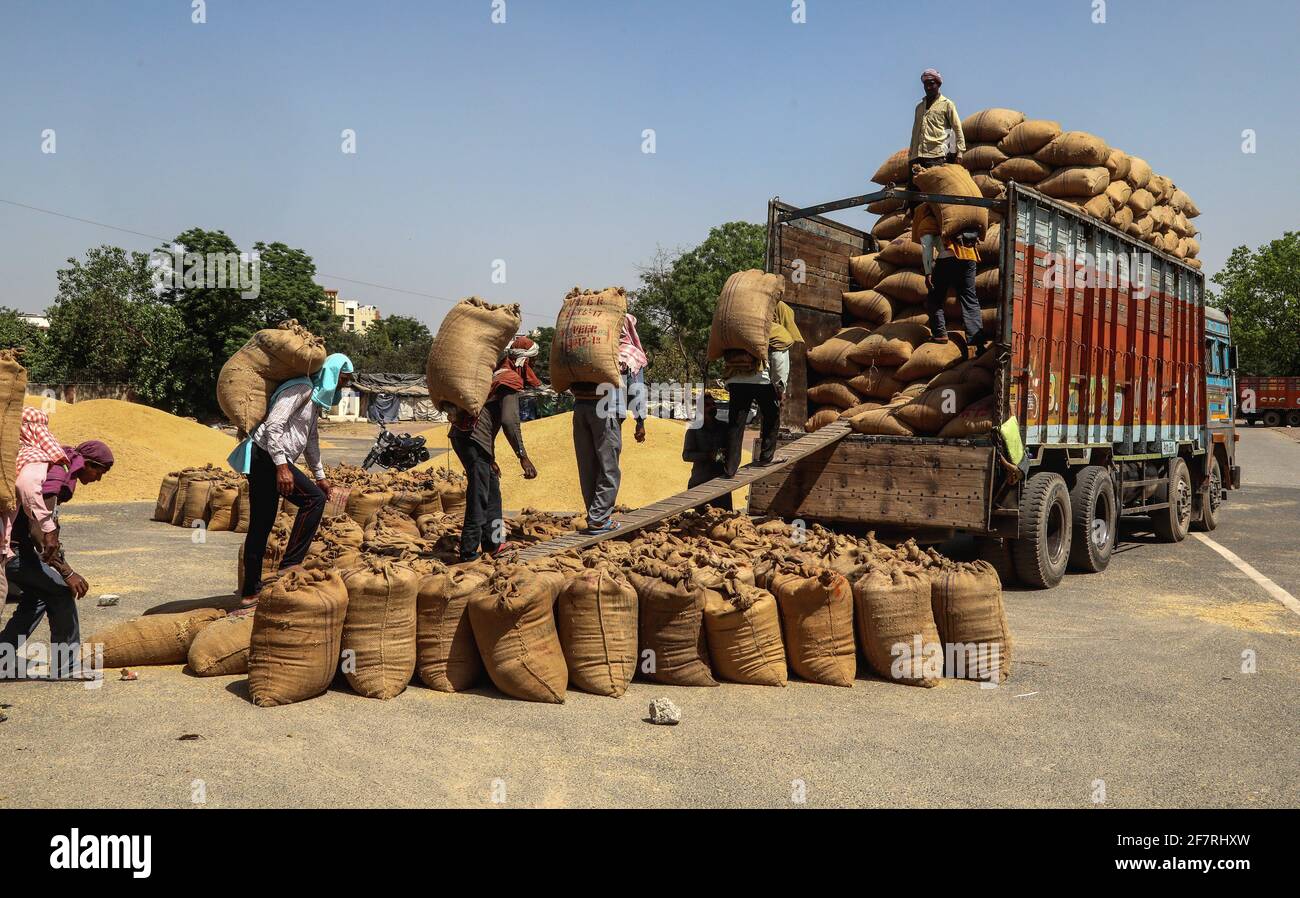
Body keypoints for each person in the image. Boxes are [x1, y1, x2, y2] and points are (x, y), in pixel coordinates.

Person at [228, 353, 353, 614]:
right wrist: (282, 467)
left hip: (272, 460)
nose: (345, 386)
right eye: (343, 379)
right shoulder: (301, 388)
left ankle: (250, 592)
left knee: (262, 523)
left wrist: (321, 477)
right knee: (313, 501)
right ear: (332, 373)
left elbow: (311, 440)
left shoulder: (315, 398)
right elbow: (274, 425)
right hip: (266, 457)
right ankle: (290, 563)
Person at [0, 431, 114, 679]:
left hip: (13, 547)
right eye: (99, 472)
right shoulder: (58, 473)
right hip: (13, 550)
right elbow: (38, 530)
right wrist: (68, 572)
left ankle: (2, 659)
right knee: (61, 591)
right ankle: (66, 666)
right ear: (89, 464)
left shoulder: (55, 468)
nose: (98, 479)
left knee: (38, 596)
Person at [449, 335, 540, 561]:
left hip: (466, 438)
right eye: (534, 362)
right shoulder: (509, 380)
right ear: (524, 362)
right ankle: (468, 552)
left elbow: (486, 419)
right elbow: (510, 422)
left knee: (493, 493)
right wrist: (523, 457)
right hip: (472, 440)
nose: (535, 367)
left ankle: (495, 544)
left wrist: (490, 458)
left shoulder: (496, 374)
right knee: (479, 494)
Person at [723, 300, 804, 476]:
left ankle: (730, 468)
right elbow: (779, 361)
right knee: (772, 415)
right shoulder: (776, 331)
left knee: (736, 422)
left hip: (736, 380)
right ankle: (766, 457)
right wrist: (779, 386)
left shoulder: (741, 326)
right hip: (761, 380)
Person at [912, 201, 987, 353]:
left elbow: (927, 249)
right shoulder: (957, 215)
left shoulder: (929, 221)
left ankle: (940, 334)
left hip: (948, 258)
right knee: (970, 299)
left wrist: (928, 273)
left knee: (934, 298)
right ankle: (979, 344)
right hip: (970, 257)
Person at [909, 68, 964, 180]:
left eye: (931, 84)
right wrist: (910, 155)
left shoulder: (947, 104)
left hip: (936, 157)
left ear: (938, 84)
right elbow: (914, 132)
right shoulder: (919, 107)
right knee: (913, 194)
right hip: (917, 157)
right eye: (925, 84)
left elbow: (957, 128)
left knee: (933, 195)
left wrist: (960, 152)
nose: (928, 87)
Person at [682, 392, 732, 511]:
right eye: (708, 405)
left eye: (713, 404)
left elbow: (730, 449)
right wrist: (708, 455)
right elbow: (686, 455)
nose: (713, 407)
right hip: (701, 482)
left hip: (721, 483)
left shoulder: (724, 427)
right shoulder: (694, 430)